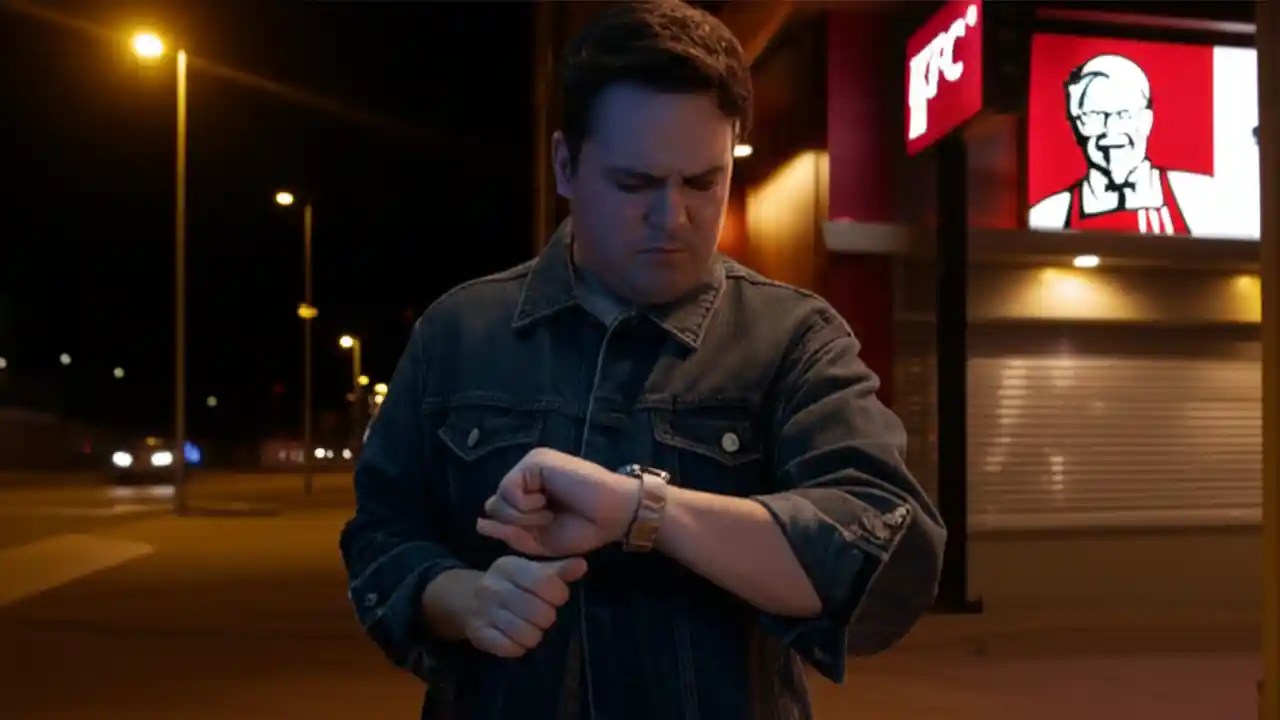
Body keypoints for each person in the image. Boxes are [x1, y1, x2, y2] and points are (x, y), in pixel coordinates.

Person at [339, 2, 945, 718]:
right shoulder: (459, 333)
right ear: (566, 165)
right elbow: (382, 534)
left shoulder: (795, 339)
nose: (672, 218)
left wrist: (643, 510)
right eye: (634, 184)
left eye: (702, 182)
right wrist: (462, 599)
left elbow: (882, 553)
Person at [1028, 53, 1215, 235]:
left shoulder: (1200, 198)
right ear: (1077, 125)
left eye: (1124, 114)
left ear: (1146, 121)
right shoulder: (1047, 216)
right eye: (1095, 116)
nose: (1111, 130)